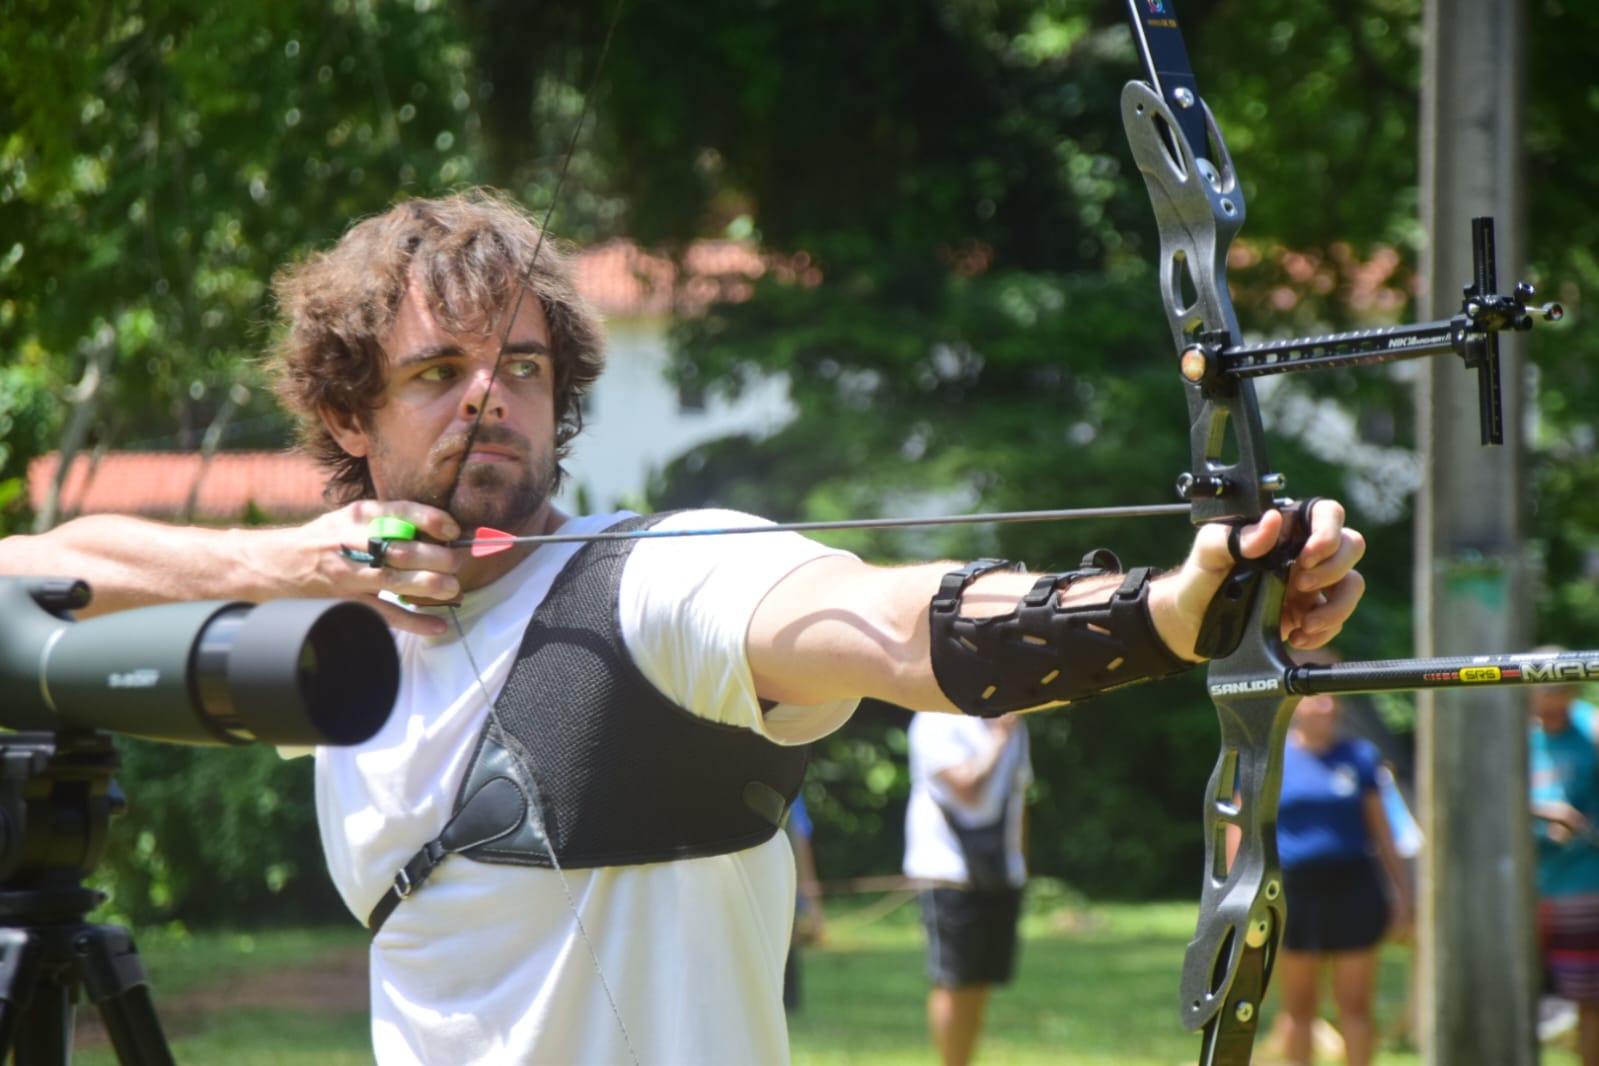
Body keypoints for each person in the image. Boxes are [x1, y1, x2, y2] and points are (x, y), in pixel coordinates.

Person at [0, 189, 1367, 1065]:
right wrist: (289, 560)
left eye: (520, 366)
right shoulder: (329, 614)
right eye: (437, 372)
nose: (490, 399)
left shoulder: (661, 580)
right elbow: (33, 571)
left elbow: (892, 624)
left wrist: (1166, 609)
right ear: (348, 415)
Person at [1267, 646, 1413, 1066]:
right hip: (1294, 892)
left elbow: (1383, 833)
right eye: (1317, 695)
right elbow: (1243, 833)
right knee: (1298, 1009)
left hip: (1354, 887)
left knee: (1355, 1004)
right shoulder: (1271, 756)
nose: (1326, 705)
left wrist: (1403, 895)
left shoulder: (1359, 757)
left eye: (1333, 694)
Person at [903, 712, 1031, 1066]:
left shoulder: (1013, 721)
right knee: (954, 981)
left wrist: (1018, 864)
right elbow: (967, 788)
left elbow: (1019, 795)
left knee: (981, 981)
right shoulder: (935, 718)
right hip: (948, 870)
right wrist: (1001, 739)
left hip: (1000, 872)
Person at [1529, 654, 1599, 1066]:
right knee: (1520, 994)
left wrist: (1581, 825)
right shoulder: (1515, 737)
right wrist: (1544, 812)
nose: (1550, 697)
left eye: (1559, 687)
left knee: (1590, 999)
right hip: (1525, 886)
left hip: (1583, 884)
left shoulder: (1591, 729)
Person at [783, 791, 825, 1011]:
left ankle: (789, 1003)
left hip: (784, 887)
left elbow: (800, 837)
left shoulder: (791, 788)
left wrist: (812, 902)